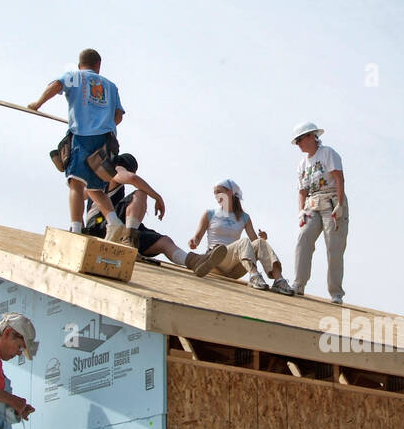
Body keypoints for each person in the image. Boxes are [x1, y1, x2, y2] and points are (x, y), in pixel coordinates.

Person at [28, 48, 131, 245]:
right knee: (94, 186)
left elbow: (55, 85)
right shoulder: (111, 86)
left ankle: (75, 229)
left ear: (79, 64)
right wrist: (102, 122)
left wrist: (37, 104)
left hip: (83, 136)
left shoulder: (74, 76)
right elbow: (118, 116)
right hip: (106, 141)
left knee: (75, 182)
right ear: (98, 65)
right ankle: (113, 221)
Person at [82, 153, 225, 276]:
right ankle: (129, 240)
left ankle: (193, 261)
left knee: (164, 242)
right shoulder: (114, 171)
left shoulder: (99, 185)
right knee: (140, 192)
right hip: (102, 226)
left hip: (117, 228)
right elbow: (132, 178)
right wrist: (157, 196)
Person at [188, 180, 295, 294]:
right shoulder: (210, 213)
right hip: (215, 261)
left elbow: (255, 243)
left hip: (235, 268)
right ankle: (254, 276)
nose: (216, 196)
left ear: (230, 192)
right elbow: (197, 237)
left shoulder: (244, 217)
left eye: (219, 192)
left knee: (259, 243)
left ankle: (279, 281)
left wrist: (262, 238)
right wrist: (193, 241)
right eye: (214, 193)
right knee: (243, 241)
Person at [291, 121, 347, 303]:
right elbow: (301, 191)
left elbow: (339, 178)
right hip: (312, 204)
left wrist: (340, 205)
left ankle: (336, 293)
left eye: (300, 139)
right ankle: (298, 284)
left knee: (334, 247)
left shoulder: (328, 153)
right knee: (303, 238)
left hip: (331, 202)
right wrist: (300, 212)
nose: (298, 144)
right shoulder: (302, 164)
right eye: (296, 141)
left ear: (311, 136)